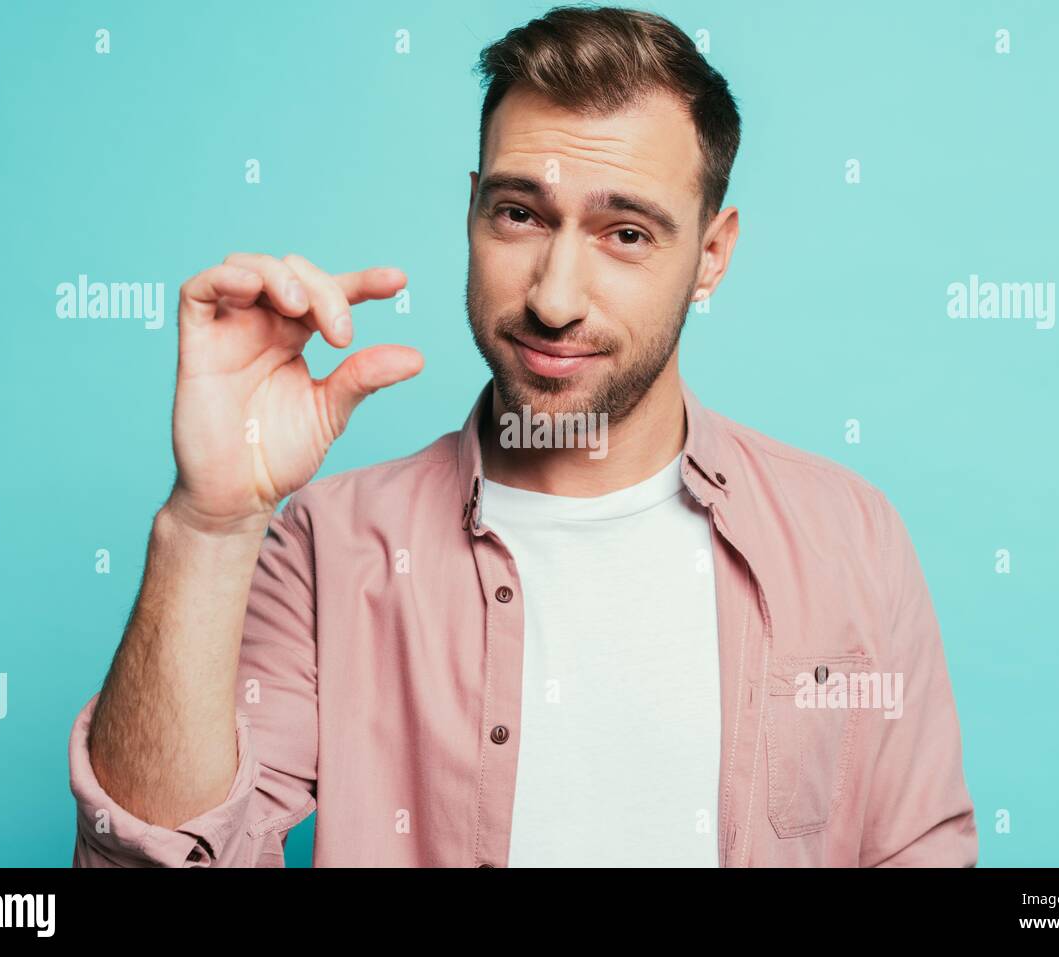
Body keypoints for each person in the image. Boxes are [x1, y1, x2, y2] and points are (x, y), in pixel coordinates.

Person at [68, 4, 976, 867]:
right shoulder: (328, 547)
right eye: (520, 215)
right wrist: (209, 522)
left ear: (712, 252)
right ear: (472, 209)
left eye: (625, 232)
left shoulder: (850, 537)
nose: (552, 297)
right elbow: (159, 858)